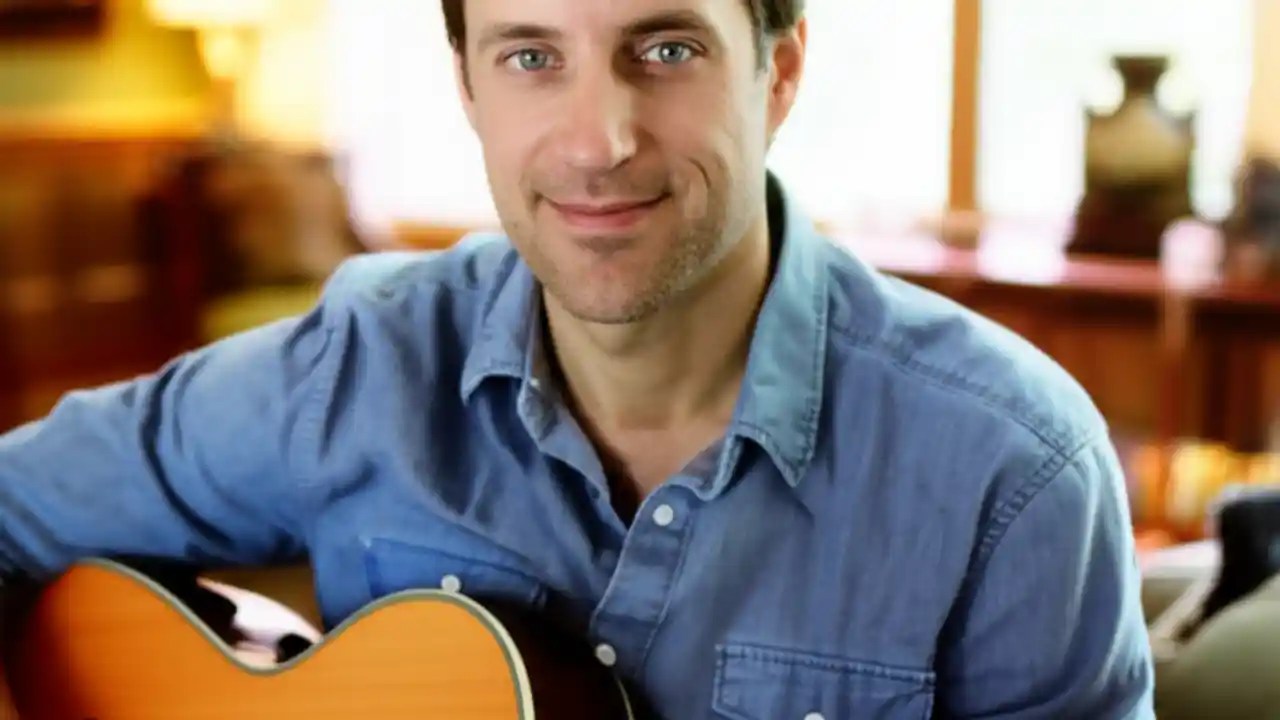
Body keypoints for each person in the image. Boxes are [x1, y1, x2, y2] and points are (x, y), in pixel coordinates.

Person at [0, 0, 1154, 716]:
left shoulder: (1011, 471)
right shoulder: (358, 365)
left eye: (663, 47)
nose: (598, 142)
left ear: (780, 69)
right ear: (465, 85)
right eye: (529, 56)